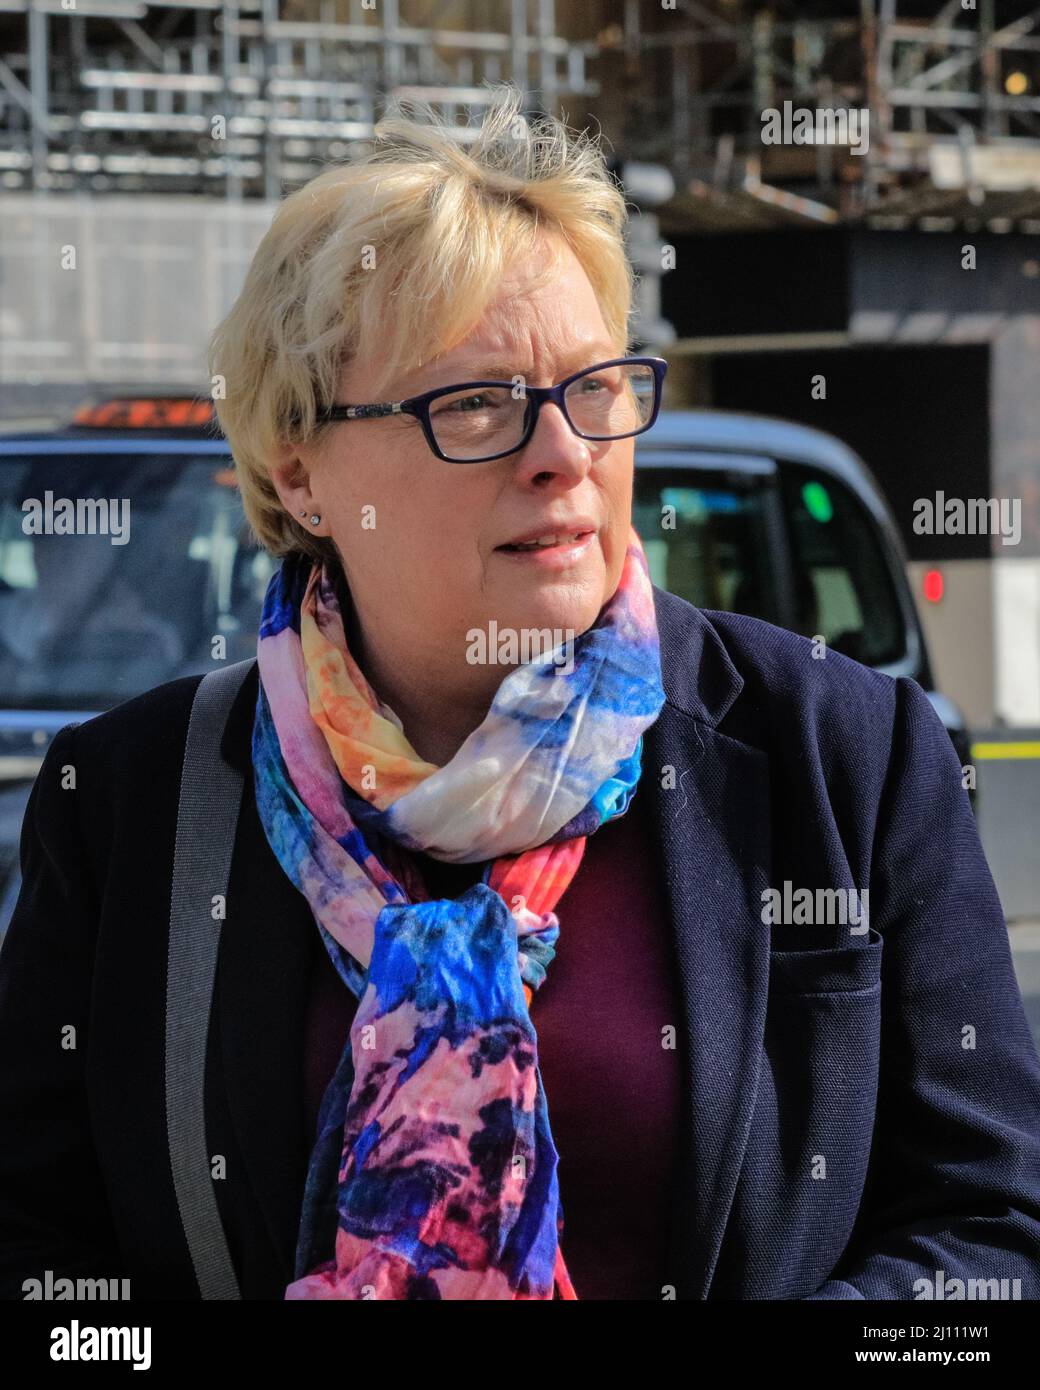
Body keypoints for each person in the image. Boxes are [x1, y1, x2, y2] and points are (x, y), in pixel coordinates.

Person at [2, 85, 1039, 1302]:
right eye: (476, 404)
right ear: (302, 474)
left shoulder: (843, 753)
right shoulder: (137, 799)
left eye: (593, 388)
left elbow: (990, 1230)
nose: (562, 453)